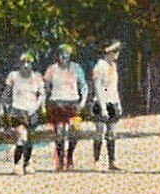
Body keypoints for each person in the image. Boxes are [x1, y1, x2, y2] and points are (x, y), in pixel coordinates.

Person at [42, 44, 88, 171]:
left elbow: (83, 86)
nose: (64, 58)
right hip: (56, 103)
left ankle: (70, 157)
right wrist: (43, 104)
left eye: (67, 55)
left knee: (74, 131)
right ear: (58, 56)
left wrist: (82, 101)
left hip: (72, 103)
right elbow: (45, 87)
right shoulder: (52, 69)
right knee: (60, 132)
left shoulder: (76, 68)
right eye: (62, 55)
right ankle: (61, 161)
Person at [3, 51, 47, 174]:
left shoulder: (37, 77)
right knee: (21, 138)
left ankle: (27, 163)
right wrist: (4, 108)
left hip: (32, 110)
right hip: (18, 109)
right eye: (23, 62)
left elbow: (42, 94)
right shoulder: (13, 76)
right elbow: (6, 93)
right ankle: (17, 164)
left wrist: (39, 107)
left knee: (29, 139)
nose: (26, 65)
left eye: (28, 62)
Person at [89, 41, 124, 171]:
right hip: (100, 102)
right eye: (115, 52)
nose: (117, 54)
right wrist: (103, 107)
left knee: (112, 133)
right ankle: (97, 160)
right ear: (109, 52)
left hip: (112, 101)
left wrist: (118, 103)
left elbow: (114, 86)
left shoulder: (113, 66)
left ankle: (112, 161)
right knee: (100, 131)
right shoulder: (100, 66)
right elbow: (98, 87)